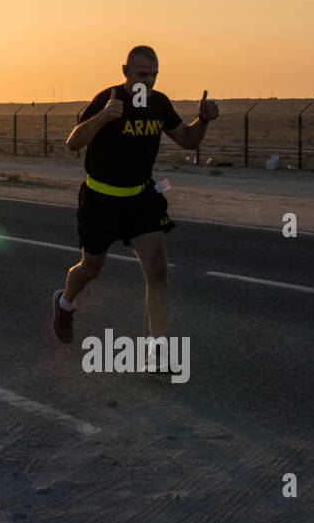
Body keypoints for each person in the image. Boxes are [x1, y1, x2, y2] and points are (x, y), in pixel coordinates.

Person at [55, 46, 218, 370]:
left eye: (154, 75)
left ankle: (155, 352)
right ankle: (65, 303)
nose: (149, 81)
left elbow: (187, 140)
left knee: (158, 270)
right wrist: (104, 116)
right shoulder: (109, 98)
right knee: (91, 269)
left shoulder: (159, 104)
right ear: (126, 71)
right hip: (100, 199)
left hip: (140, 197)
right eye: (142, 74)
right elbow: (73, 142)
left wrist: (203, 120)